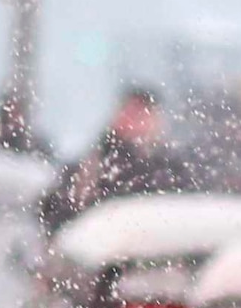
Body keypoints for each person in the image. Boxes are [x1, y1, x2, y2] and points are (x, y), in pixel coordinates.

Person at [42, 86, 191, 230]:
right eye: (132, 113)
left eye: (144, 114)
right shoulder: (92, 167)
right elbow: (56, 213)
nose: (137, 122)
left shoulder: (172, 168)